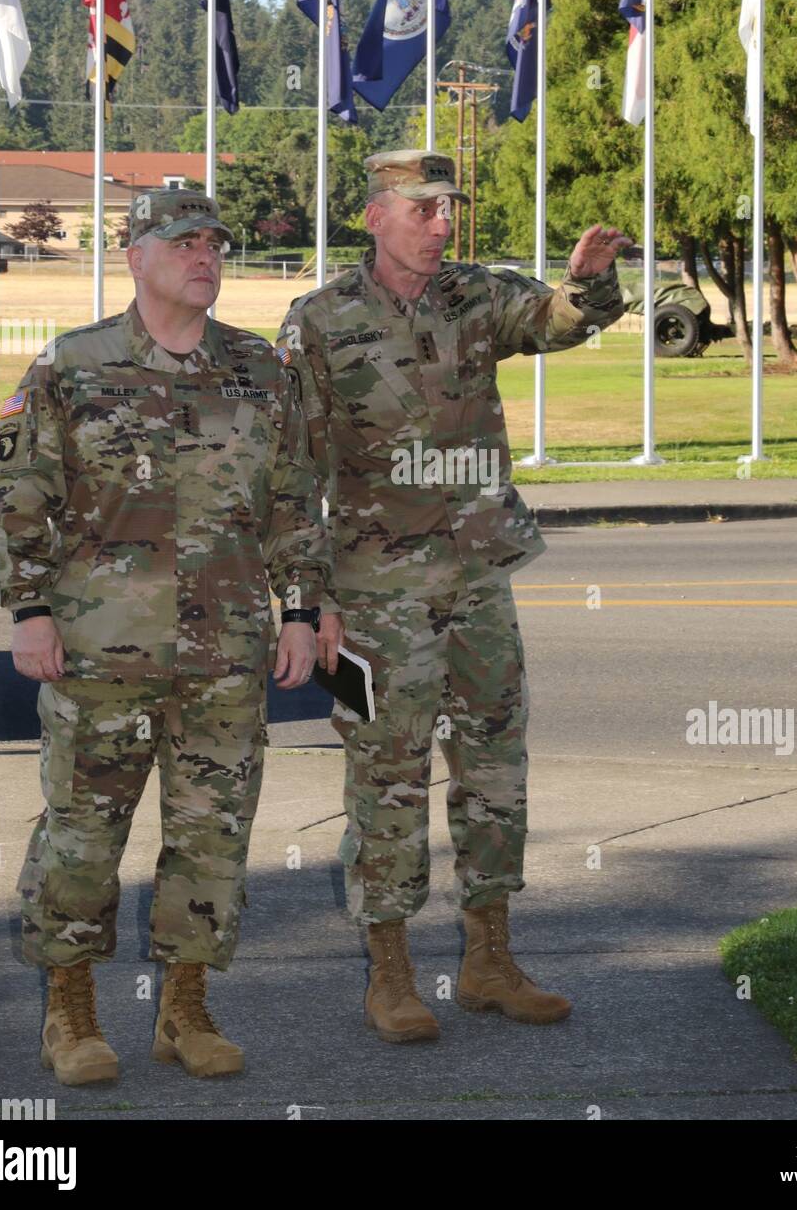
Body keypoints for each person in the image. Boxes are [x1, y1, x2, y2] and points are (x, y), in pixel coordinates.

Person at [0, 188, 340, 1085]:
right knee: (83, 836)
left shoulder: (259, 370)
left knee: (212, 834)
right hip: (100, 652)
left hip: (225, 655)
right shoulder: (74, 365)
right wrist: (27, 609)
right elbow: (13, 500)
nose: (205, 257)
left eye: (215, 242)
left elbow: (294, 506)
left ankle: (185, 1011)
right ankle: (72, 1016)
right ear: (137, 256)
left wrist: (299, 611)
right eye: (184, 243)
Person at [278, 149, 628, 1042]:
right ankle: (390, 973)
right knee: (386, 776)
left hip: (477, 580)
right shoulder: (319, 321)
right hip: (371, 593)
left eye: (448, 208)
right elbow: (294, 471)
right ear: (375, 215)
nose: (442, 224)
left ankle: (489, 960)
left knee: (495, 769)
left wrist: (587, 284)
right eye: (424, 208)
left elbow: (552, 321)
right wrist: (309, 602)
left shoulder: (475, 295)